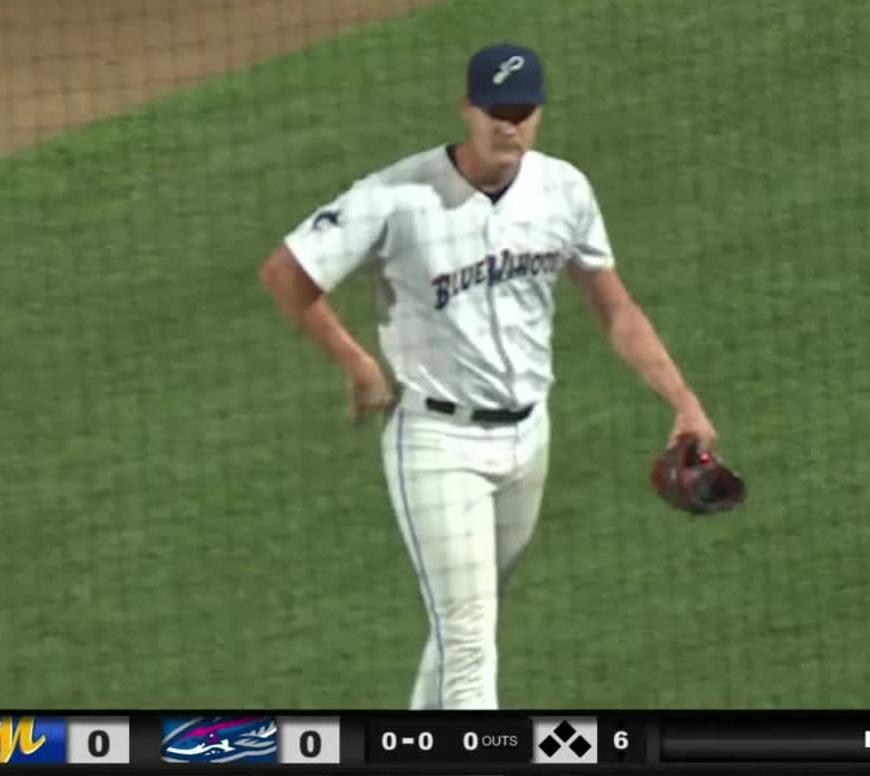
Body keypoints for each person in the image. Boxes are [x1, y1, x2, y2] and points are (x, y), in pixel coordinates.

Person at [258, 42, 718, 710]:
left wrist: (682, 399)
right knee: (470, 643)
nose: (508, 125)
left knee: (463, 632)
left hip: (529, 439)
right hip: (437, 445)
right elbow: (286, 272)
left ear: (538, 113)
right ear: (467, 109)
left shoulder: (563, 189)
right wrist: (358, 363)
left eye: (521, 110)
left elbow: (615, 308)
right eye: (494, 110)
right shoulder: (397, 196)